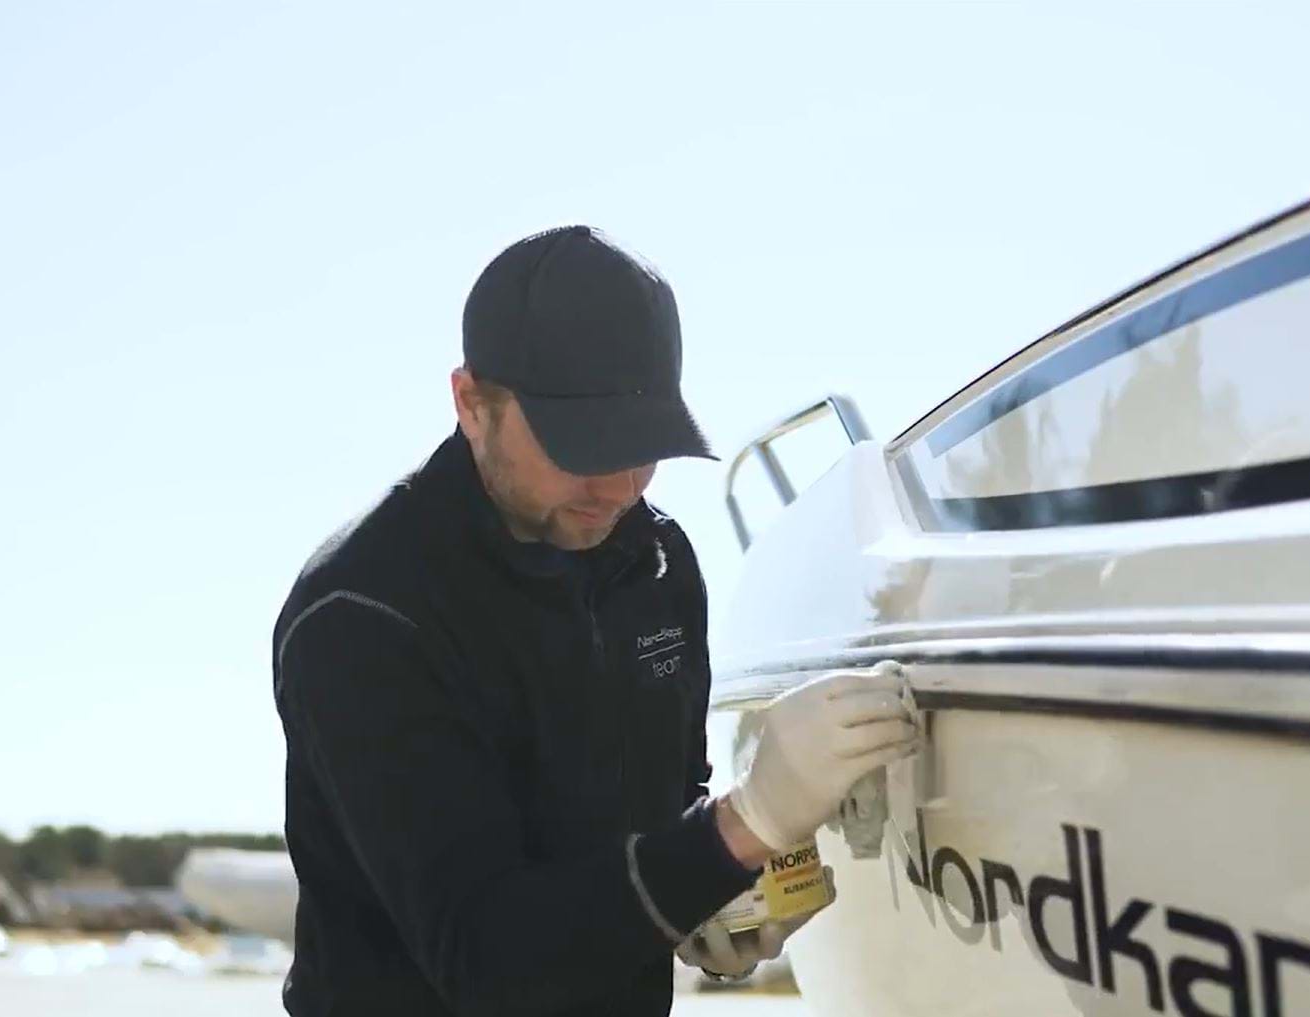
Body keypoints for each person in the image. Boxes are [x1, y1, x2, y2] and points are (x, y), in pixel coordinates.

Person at [271, 225, 917, 1016]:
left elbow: (669, 807)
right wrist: (742, 828)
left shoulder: (657, 563)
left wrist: (713, 898)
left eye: (642, 446)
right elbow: (484, 960)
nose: (616, 486)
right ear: (473, 404)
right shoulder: (364, 614)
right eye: (581, 445)